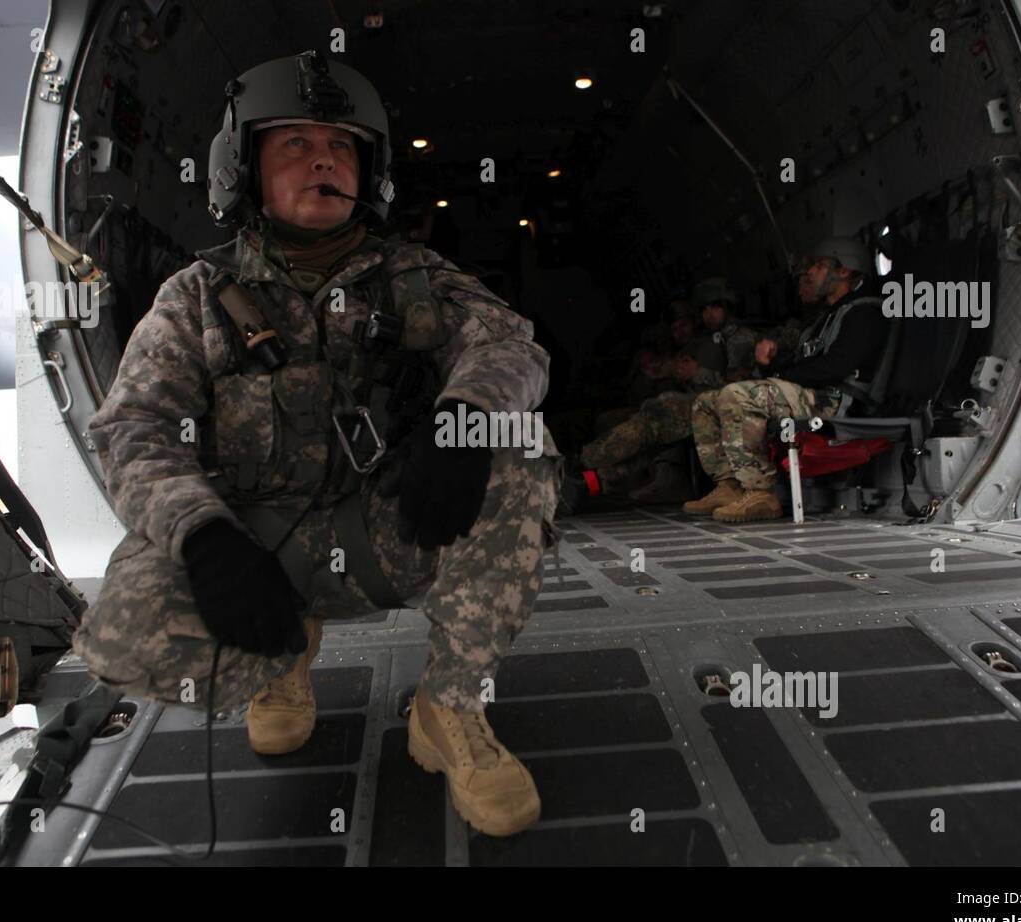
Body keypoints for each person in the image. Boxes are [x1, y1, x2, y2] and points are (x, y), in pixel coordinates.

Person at [71, 51, 562, 837]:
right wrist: (201, 536)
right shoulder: (195, 295)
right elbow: (134, 428)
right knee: (125, 629)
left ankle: (450, 706)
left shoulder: (416, 276)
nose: (324, 158)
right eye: (293, 143)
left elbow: (514, 348)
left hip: (382, 533)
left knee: (517, 448)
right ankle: (281, 660)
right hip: (254, 546)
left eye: (341, 145)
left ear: (371, 171)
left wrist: (462, 416)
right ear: (243, 167)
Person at [684, 237, 887, 522]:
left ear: (844, 271)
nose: (810, 273)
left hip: (834, 400)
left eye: (818, 265)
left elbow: (834, 367)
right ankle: (730, 484)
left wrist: (780, 374)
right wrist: (776, 362)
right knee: (705, 403)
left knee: (738, 395)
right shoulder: (826, 317)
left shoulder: (864, 312)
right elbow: (808, 364)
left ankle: (761, 492)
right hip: (810, 394)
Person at [564, 277, 756, 506]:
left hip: (726, 406)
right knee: (651, 440)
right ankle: (589, 483)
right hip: (707, 406)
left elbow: (739, 386)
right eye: (704, 309)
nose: (709, 314)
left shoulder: (739, 339)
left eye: (715, 307)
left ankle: (581, 462)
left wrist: (697, 373)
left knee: (663, 410)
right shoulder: (710, 340)